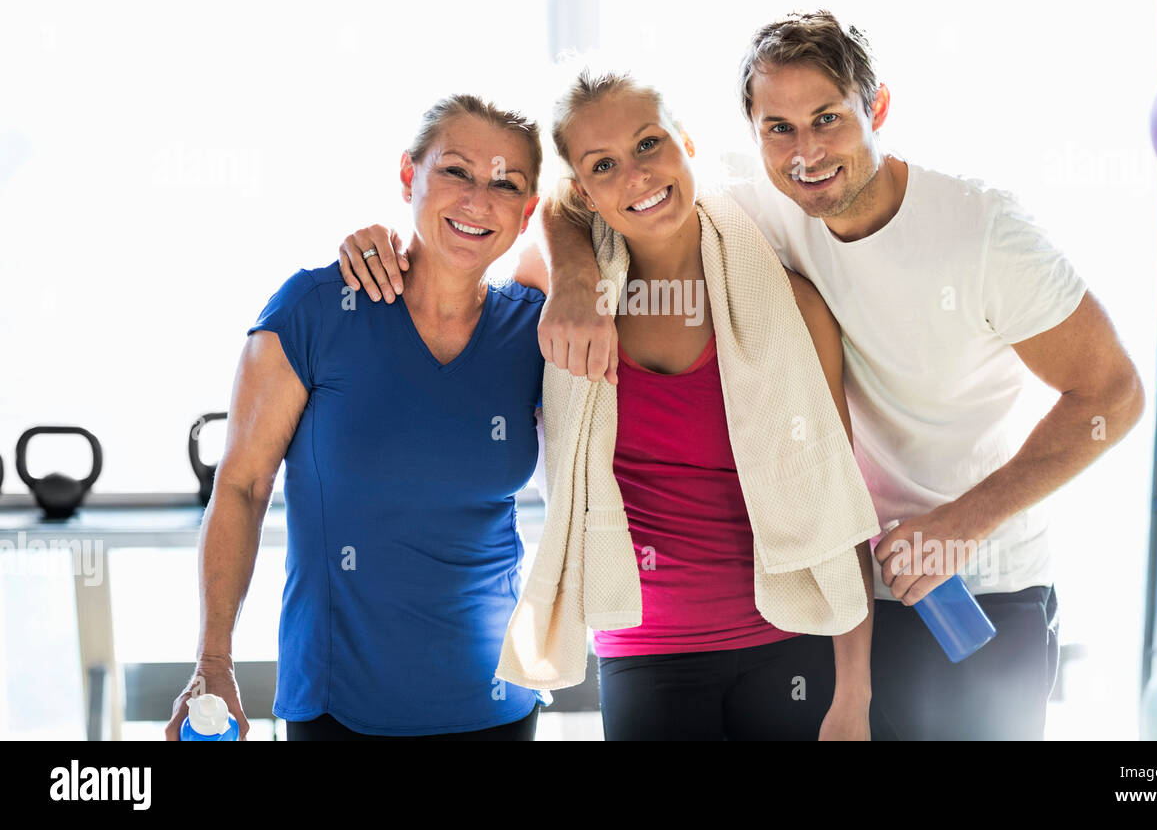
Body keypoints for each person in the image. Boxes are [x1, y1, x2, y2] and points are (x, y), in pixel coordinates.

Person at [353, 12, 1147, 740]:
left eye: (827, 119)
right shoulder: (760, 207)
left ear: (877, 108)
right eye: (779, 128)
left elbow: (1113, 396)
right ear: (752, 136)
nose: (805, 152)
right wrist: (572, 280)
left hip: (978, 584)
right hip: (844, 587)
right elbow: (572, 194)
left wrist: (959, 525)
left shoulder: (982, 233)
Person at [339, 68, 878, 740]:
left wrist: (853, 695)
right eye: (604, 164)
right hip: (647, 655)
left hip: (790, 638)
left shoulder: (791, 305)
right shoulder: (548, 301)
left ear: (685, 142)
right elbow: (451, 280)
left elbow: (842, 510)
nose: (637, 176)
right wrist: (376, 242)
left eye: (650, 144)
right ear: (583, 190)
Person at [164, 94, 550, 741]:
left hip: (499, 705)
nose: (479, 199)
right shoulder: (314, 310)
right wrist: (213, 659)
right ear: (408, 176)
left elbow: (616, 239)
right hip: (338, 709)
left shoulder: (534, 329)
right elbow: (242, 485)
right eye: (456, 171)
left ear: (528, 210)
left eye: (505, 183)